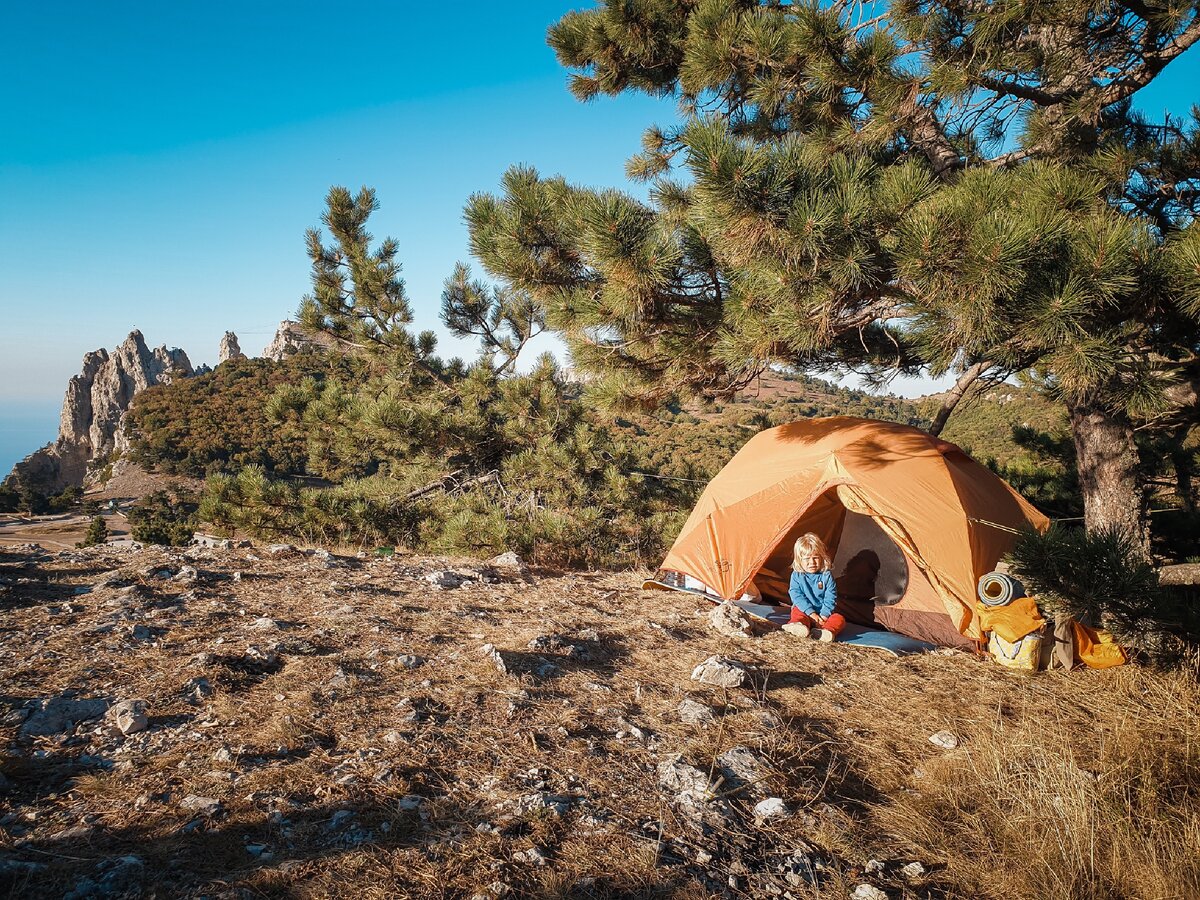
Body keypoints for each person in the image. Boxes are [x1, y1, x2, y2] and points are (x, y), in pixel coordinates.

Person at [782, 533, 845, 642]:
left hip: (822, 615)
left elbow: (831, 597)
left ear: (822, 558)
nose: (812, 562)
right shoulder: (797, 575)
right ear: (799, 560)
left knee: (839, 619)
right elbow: (796, 596)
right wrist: (811, 613)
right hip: (805, 611)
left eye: (815, 558)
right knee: (797, 613)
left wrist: (824, 616)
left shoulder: (826, 576)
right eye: (807, 559)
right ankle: (798, 626)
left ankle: (825, 632)